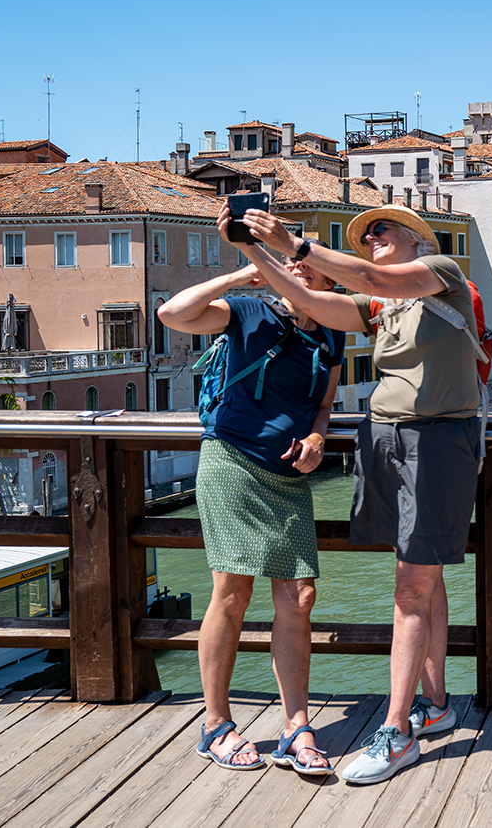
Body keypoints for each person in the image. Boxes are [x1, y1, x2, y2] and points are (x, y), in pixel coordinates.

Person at [235, 202, 480, 786]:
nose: (371, 238)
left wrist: (295, 245)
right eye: (365, 233)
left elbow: (368, 278)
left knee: (410, 585)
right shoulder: (383, 305)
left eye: (381, 229)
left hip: (437, 438)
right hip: (386, 438)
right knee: (423, 576)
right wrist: (253, 251)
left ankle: (397, 732)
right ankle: (437, 703)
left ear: (415, 239)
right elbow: (317, 304)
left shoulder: (440, 273)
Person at [156, 210, 345, 776]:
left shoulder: (332, 334)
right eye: (294, 265)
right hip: (232, 458)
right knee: (232, 592)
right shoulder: (246, 312)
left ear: (332, 284)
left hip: (288, 474)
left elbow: (324, 406)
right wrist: (241, 276)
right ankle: (216, 724)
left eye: (311, 269)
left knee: (298, 597)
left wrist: (316, 438)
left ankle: (296, 726)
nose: (300, 271)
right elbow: (173, 314)